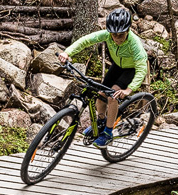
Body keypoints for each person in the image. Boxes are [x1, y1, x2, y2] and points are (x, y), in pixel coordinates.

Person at [58, 8, 148, 147]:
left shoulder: (134, 43)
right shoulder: (107, 34)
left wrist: (129, 90)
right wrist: (67, 53)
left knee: (113, 96)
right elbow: (85, 40)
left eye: (121, 35)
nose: (117, 38)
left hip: (131, 70)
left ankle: (107, 133)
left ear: (128, 30)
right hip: (117, 66)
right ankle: (101, 122)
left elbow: (142, 69)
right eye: (114, 35)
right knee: (100, 95)